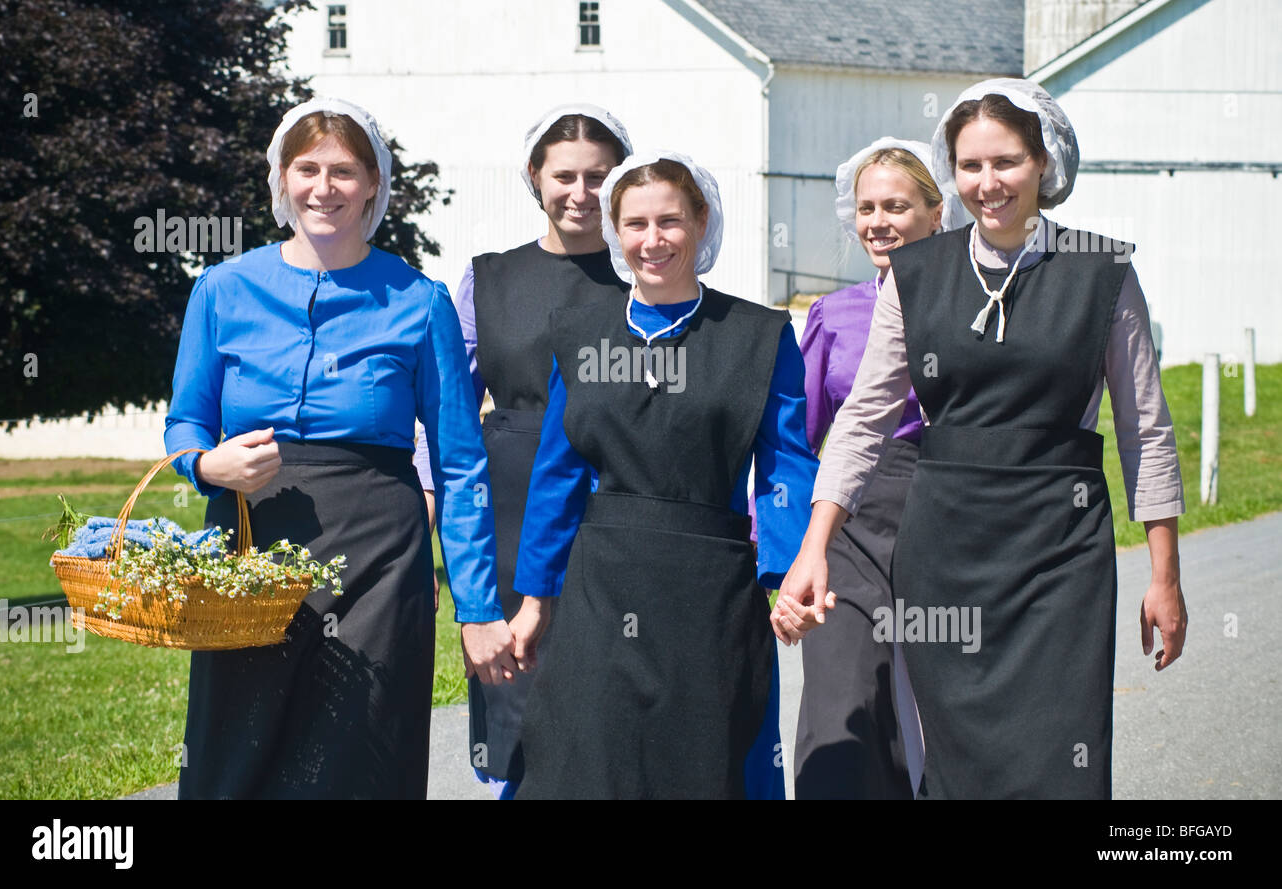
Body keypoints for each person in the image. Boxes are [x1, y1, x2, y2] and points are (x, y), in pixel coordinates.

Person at [775, 79, 1189, 800]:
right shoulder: (918, 274)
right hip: (946, 549)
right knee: (958, 765)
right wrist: (814, 546)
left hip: (1061, 554)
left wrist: (1165, 572)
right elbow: (863, 418)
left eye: (1007, 163)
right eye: (971, 166)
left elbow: (1145, 428)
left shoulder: (1102, 272)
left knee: (1062, 759)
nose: (988, 183)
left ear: (1044, 164)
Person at [164, 97, 515, 799]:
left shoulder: (420, 301)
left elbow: (460, 461)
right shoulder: (222, 290)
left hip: (380, 560)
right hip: (248, 550)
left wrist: (477, 608)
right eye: (308, 168)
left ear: (374, 186)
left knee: (361, 753)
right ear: (281, 179)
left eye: (345, 171)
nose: (324, 187)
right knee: (237, 749)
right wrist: (206, 466)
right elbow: (185, 424)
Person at [507, 151, 821, 799]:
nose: (653, 241)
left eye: (671, 221)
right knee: (590, 759)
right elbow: (557, 472)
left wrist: (789, 573)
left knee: (703, 763)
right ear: (615, 230)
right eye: (636, 223)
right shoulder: (579, 332)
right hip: (602, 582)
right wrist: (536, 597)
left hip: (710, 590)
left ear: (702, 223)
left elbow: (786, 462)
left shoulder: (759, 336)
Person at [414, 104, 633, 799]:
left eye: (598, 176)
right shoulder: (489, 278)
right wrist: (422, 496)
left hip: (619, 493)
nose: (580, 192)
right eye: (563, 174)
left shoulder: (649, 272)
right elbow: (447, 411)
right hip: (509, 497)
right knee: (521, 692)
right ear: (535, 177)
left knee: (616, 687)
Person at [789, 138, 964, 800]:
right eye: (866, 208)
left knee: (941, 713)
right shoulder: (834, 314)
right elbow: (799, 438)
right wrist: (781, 547)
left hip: (950, 518)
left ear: (935, 210)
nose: (877, 221)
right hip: (853, 528)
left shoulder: (974, 304)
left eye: (896, 205)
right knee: (844, 705)